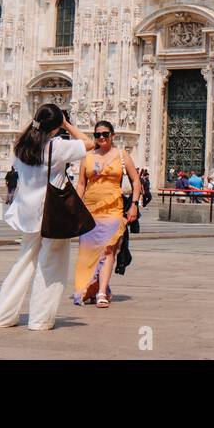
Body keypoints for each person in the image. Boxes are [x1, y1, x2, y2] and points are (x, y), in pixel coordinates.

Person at [0, 104, 95, 330]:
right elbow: (90, 143)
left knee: (23, 263)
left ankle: (3, 316)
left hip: (27, 214)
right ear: (56, 127)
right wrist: (68, 125)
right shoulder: (56, 147)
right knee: (50, 265)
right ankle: (39, 320)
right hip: (52, 213)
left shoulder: (20, 146)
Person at [73, 121, 142, 306]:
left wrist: (134, 205)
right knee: (89, 252)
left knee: (109, 248)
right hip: (90, 209)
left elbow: (136, 181)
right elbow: (81, 184)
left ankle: (101, 292)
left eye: (105, 134)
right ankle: (92, 287)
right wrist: (75, 208)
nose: (101, 137)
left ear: (113, 135)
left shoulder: (122, 155)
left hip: (114, 208)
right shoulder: (87, 157)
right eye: (98, 135)